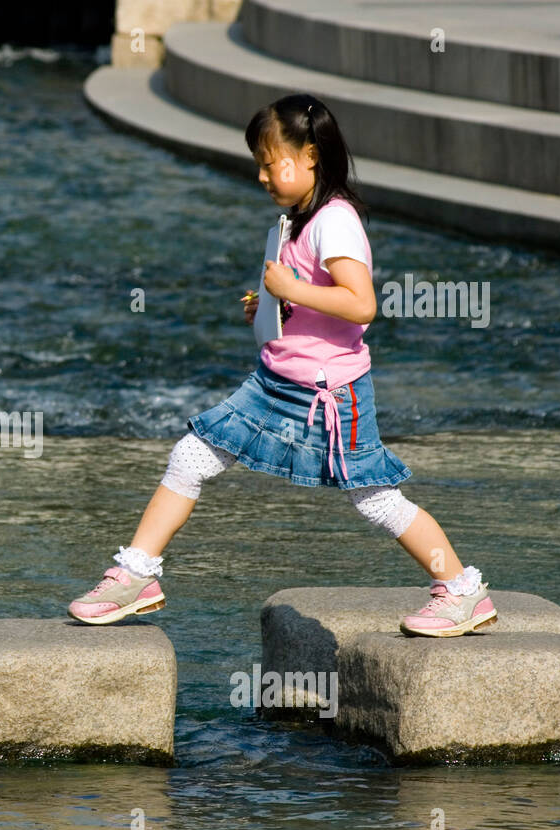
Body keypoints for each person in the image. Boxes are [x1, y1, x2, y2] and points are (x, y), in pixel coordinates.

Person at [68, 93, 496, 639]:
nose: (263, 175)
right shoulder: (297, 219)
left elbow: (362, 303)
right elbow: (317, 299)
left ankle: (462, 591)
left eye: (272, 163)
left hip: (330, 391)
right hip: (276, 380)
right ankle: (136, 576)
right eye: (259, 165)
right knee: (191, 455)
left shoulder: (334, 221)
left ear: (310, 156)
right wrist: (277, 307)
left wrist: (292, 288)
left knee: (375, 499)